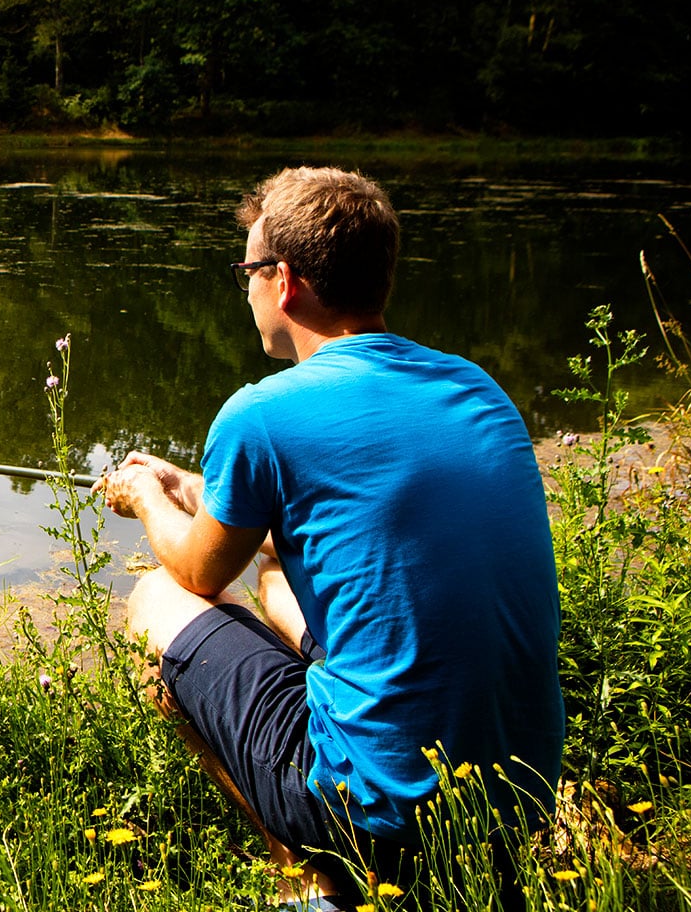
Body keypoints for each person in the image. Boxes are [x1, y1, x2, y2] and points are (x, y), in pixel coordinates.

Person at [102, 167, 563, 905]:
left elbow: (194, 570)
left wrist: (149, 497)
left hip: (379, 813)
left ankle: (319, 882)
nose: (244, 286)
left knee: (156, 600)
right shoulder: (478, 389)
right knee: (278, 573)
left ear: (282, 281)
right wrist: (200, 488)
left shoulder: (262, 413)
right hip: (515, 800)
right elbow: (334, 520)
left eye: (245, 270)